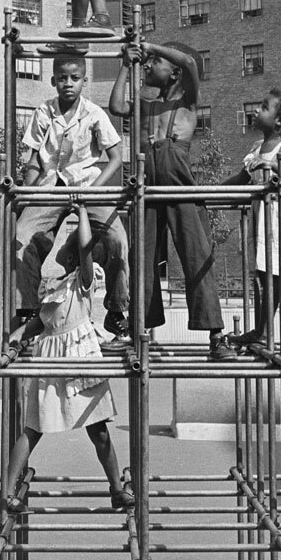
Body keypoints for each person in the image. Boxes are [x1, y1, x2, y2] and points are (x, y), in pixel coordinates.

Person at [110, 40, 236, 362]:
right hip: (148, 188)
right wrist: (127, 64)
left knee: (197, 255)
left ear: (173, 72)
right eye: (147, 61)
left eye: (155, 62)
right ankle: (138, 331)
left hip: (180, 186)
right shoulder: (145, 103)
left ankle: (216, 336)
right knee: (142, 258)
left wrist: (150, 45)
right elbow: (116, 107)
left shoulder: (187, 102)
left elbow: (193, 65)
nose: (149, 65)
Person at [2, 210, 134, 512]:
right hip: (50, 353)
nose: (58, 246)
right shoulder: (53, 286)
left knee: (98, 430)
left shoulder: (83, 280)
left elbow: (86, 247)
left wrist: (82, 212)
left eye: (66, 245)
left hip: (78, 353)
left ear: (74, 258)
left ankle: (115, 488)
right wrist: (17, 335)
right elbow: (42, 323)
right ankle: (6, 491)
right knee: (32, 428)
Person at [15, 52, 130, 338]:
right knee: (21, 237)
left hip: (86, 184)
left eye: (75, 78)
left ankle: (116, 311)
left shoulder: (93, 113)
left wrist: (92, 190)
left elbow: (115, 157)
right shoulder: (44, 112)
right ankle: (28, 309)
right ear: (53, 80)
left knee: (117, 239)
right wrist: (24, 197)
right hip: (51, 185)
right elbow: (33, 161)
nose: (69, 83)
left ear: (84, 81)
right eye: (63, 78)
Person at [221, 88, 281, 356]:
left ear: (279, 121)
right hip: (262, 221)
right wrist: (209, 192)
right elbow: (239, 181)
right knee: (265, 279)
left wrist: (274, 166)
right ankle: (263, 331)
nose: (255, 110)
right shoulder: (255, 151)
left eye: (263, 107)